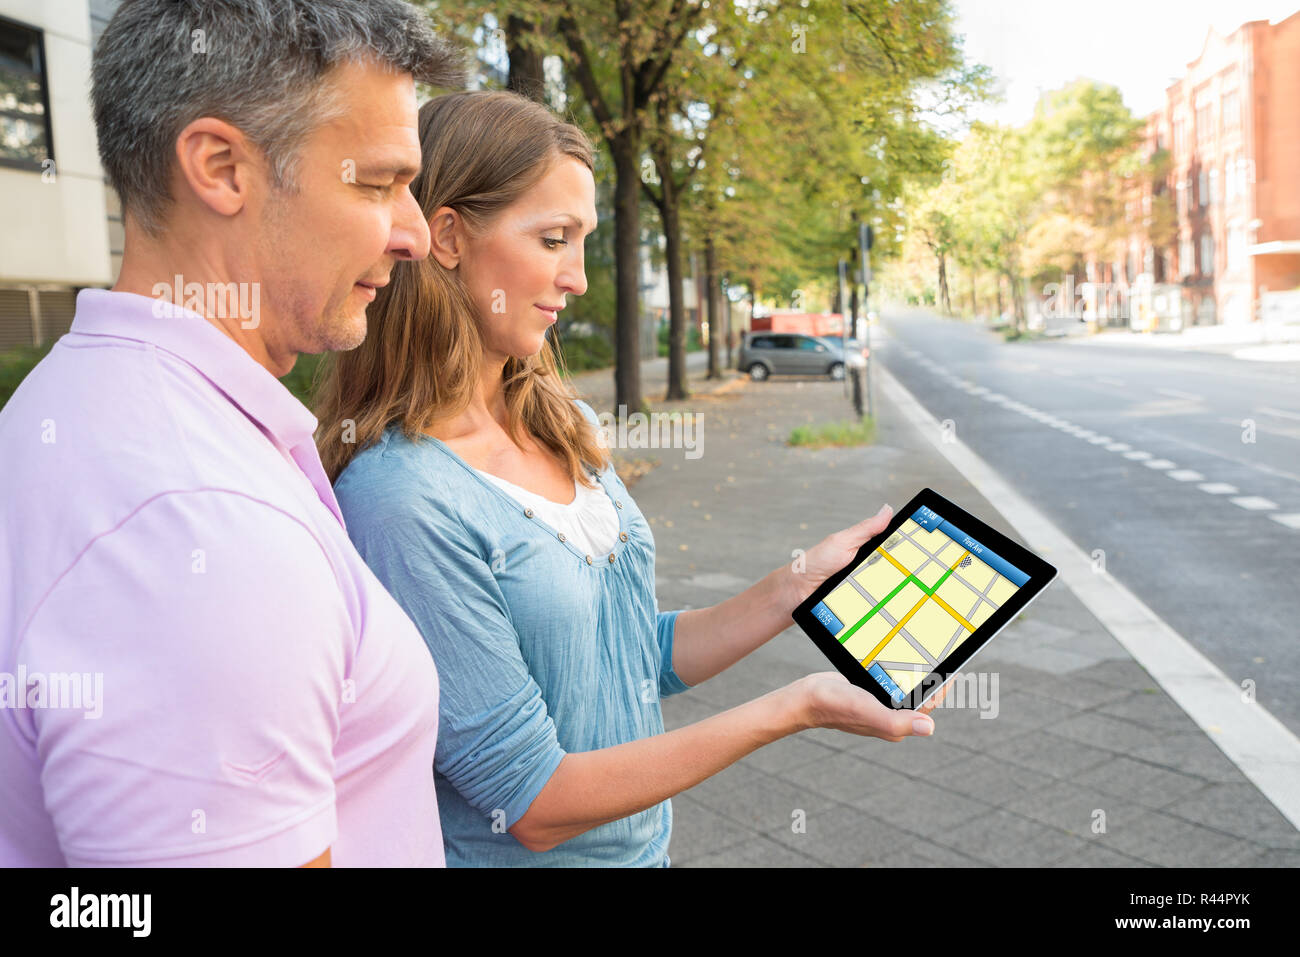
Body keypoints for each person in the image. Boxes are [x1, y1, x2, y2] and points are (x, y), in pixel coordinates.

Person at [317, 90, 951, 868]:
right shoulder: (401, 499)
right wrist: (798, 706)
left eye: (584, 240)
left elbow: (627, 657)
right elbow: (535, 802)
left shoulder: (560, 420)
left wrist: (794, 589)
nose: (579, 277)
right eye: (553, 238)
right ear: (447, 236)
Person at [0, 0, 462, 867]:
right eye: (377, 182)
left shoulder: (78, 405)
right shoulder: (197, 522)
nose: (411, 234)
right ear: (220, 167)